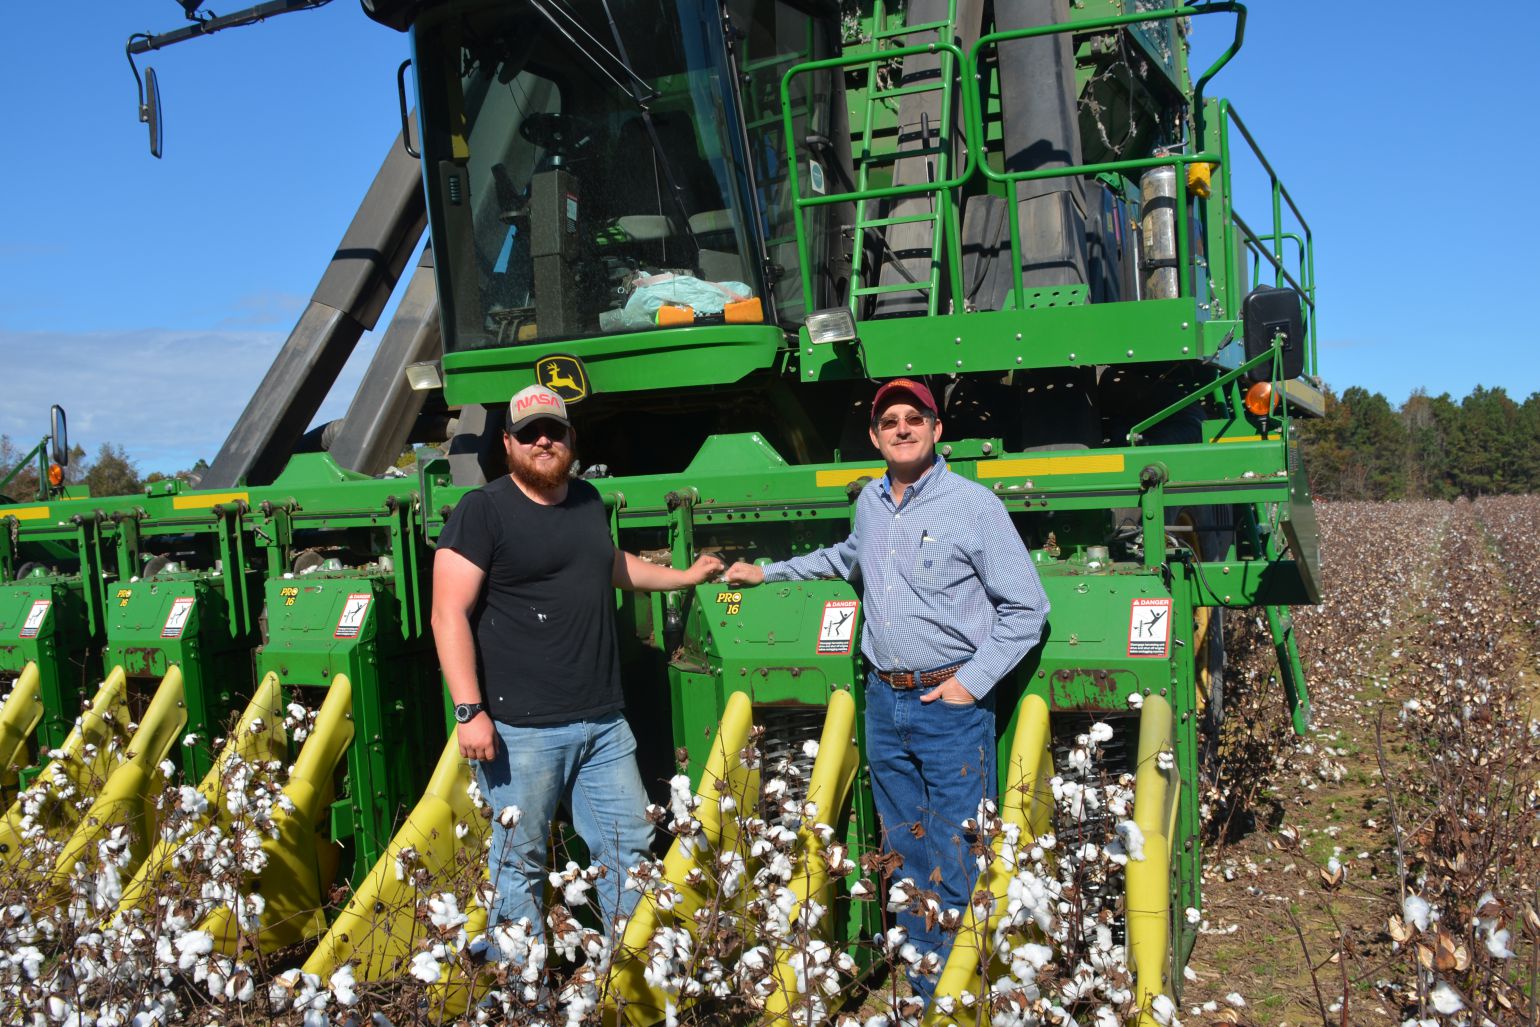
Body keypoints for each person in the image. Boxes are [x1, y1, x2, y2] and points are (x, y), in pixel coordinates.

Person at [724, 377, 1048, 995]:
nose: (902, 428)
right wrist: (768, 572)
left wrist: (970, 682)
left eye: (914, 418)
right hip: (884, 700)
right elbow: (847, 558)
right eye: (890, 421)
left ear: (936, 430)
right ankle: (928, 986)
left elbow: (1027, 609)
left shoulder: (974, 505)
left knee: (957, 856)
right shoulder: (870, 502)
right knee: (904, 854)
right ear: (875, 436)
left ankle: (957, 995)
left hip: (949, 706)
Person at [433, 383, 723, 944]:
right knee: (519, 862)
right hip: (521, 732)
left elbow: (609, 564)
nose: (544, 441)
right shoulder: (482, 511)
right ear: (509, 444)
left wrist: (683, 577)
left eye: (554, 430)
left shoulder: (588, 500)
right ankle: (522, 994)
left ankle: (626, 982)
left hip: (604, 725)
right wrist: (469, 711)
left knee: (630, 850)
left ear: (570, 438)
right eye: (529, 433)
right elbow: (448, 614)